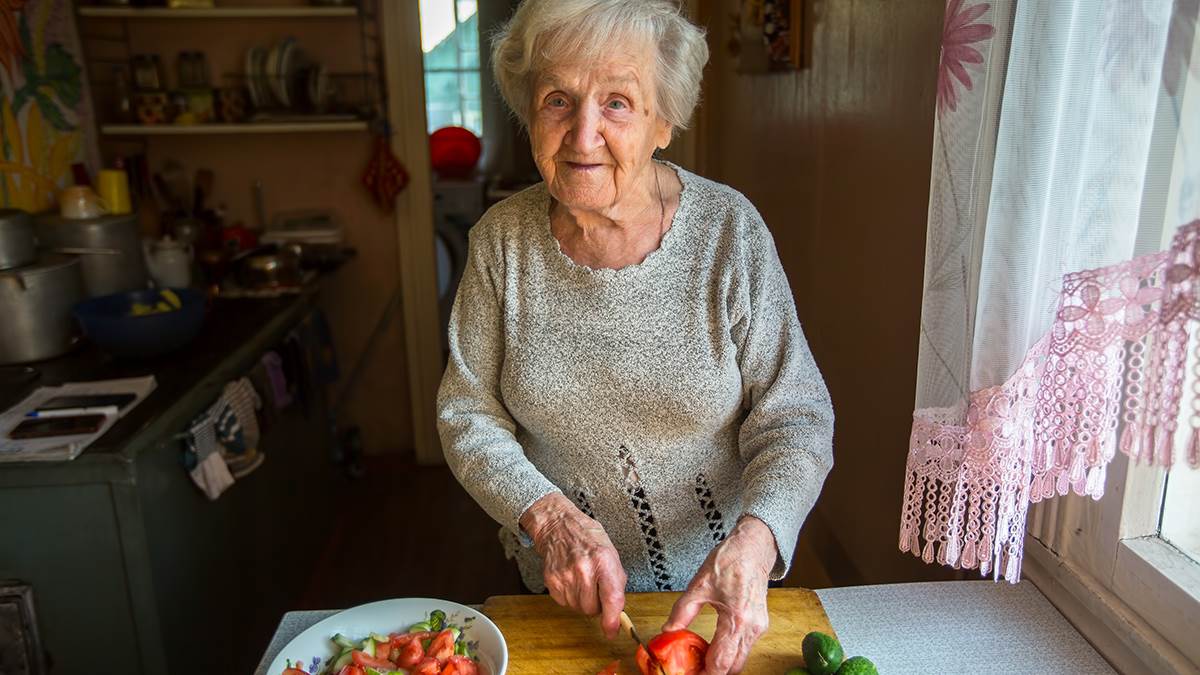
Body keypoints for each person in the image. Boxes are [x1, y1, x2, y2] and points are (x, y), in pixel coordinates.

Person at [436, 1, 835, 672]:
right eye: (558, 100)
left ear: (664, 120)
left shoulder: (729, 235)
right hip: (560, 598)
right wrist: (548, 518)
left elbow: (794, 417)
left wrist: (758, 538)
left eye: (617, 103)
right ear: (530, 112)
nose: (583, 135)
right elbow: (467, 413)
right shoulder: (501, 244)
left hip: (719, 599)